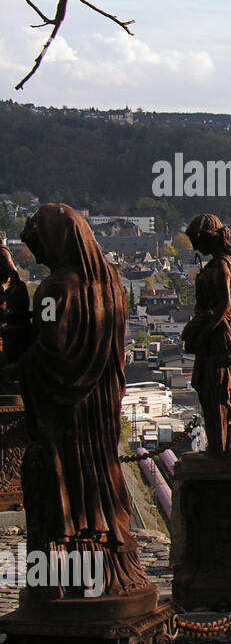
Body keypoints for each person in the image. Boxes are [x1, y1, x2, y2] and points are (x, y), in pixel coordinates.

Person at [0, 204, 152, 610]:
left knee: (61, 490)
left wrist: (20, 364)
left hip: (64, 418)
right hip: (100, 410)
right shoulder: (113, 285)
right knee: (102, 484)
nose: (42, 260)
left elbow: (50, 353)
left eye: (41, 251)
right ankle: (111, 556)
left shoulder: (54, 291)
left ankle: (61, 576)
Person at [182, 214, 231, 458]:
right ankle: (222, 444)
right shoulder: (230, 261)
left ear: (208, 238)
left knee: (214, 390)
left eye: (197, 241)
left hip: (219, 339)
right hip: (227, 334)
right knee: (215, 390)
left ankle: (222, 447)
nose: (195, 247)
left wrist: (204, 330)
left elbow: (225, 302)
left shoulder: (222, 266)